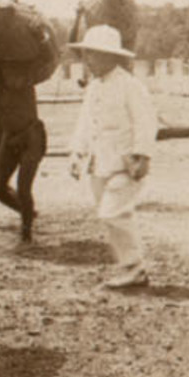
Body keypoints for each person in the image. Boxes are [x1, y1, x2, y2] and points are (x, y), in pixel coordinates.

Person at [69, 26, 158, 289]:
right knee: (108, 213)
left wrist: (142, 154)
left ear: (111, 57)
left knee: (113, 213)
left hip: (125, 163)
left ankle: (135, 268)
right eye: (86, 55)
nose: (88, 61)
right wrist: (77, 152)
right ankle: (129, 266)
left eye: (93, 55)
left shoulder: (130, 86)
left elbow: (146, 121)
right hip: (99, 163)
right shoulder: (94, 88)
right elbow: (85, 123)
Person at [0, 55, 48, 242]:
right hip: (9, 138)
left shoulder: (24, 77)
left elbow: (46, 63)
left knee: (23, 188)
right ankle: (28, 212)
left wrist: (42, 39)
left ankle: (26, 231)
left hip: (31, 136)